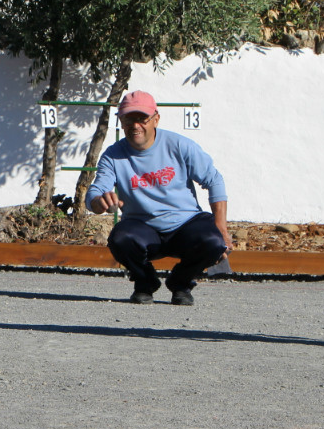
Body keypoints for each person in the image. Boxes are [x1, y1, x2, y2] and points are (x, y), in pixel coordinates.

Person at [84, 90, 231, 305]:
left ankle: (181, 283)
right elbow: (95, 193)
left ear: (156, 119)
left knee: (213, 241)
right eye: (129, 119)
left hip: (185, 223)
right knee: (120, 239)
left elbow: (214, 180)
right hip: (143, 227)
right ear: (121, 122)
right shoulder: (113, 155)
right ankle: (145, 283)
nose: (135, 125)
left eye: (142, 118)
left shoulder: (180, 146)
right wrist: (100, 202)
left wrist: (222, 229)